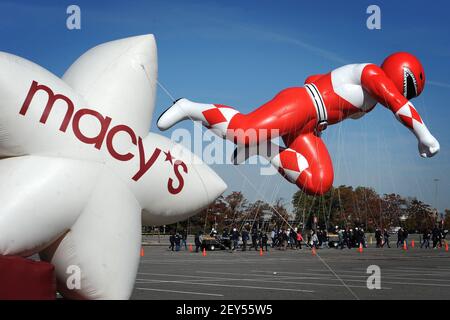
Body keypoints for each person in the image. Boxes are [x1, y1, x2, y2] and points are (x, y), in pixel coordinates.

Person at [158, 53, 439, 197]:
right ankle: (188, 107)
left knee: (319, 183)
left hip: (309, 126)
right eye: (407, 89)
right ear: (402, 75)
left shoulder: (371, 98)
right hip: (302, 105)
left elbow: (315, 76)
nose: (403, 95)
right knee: (242, 131)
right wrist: (423, 135)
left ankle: (265, 150)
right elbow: (398, 104)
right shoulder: (371, 73)